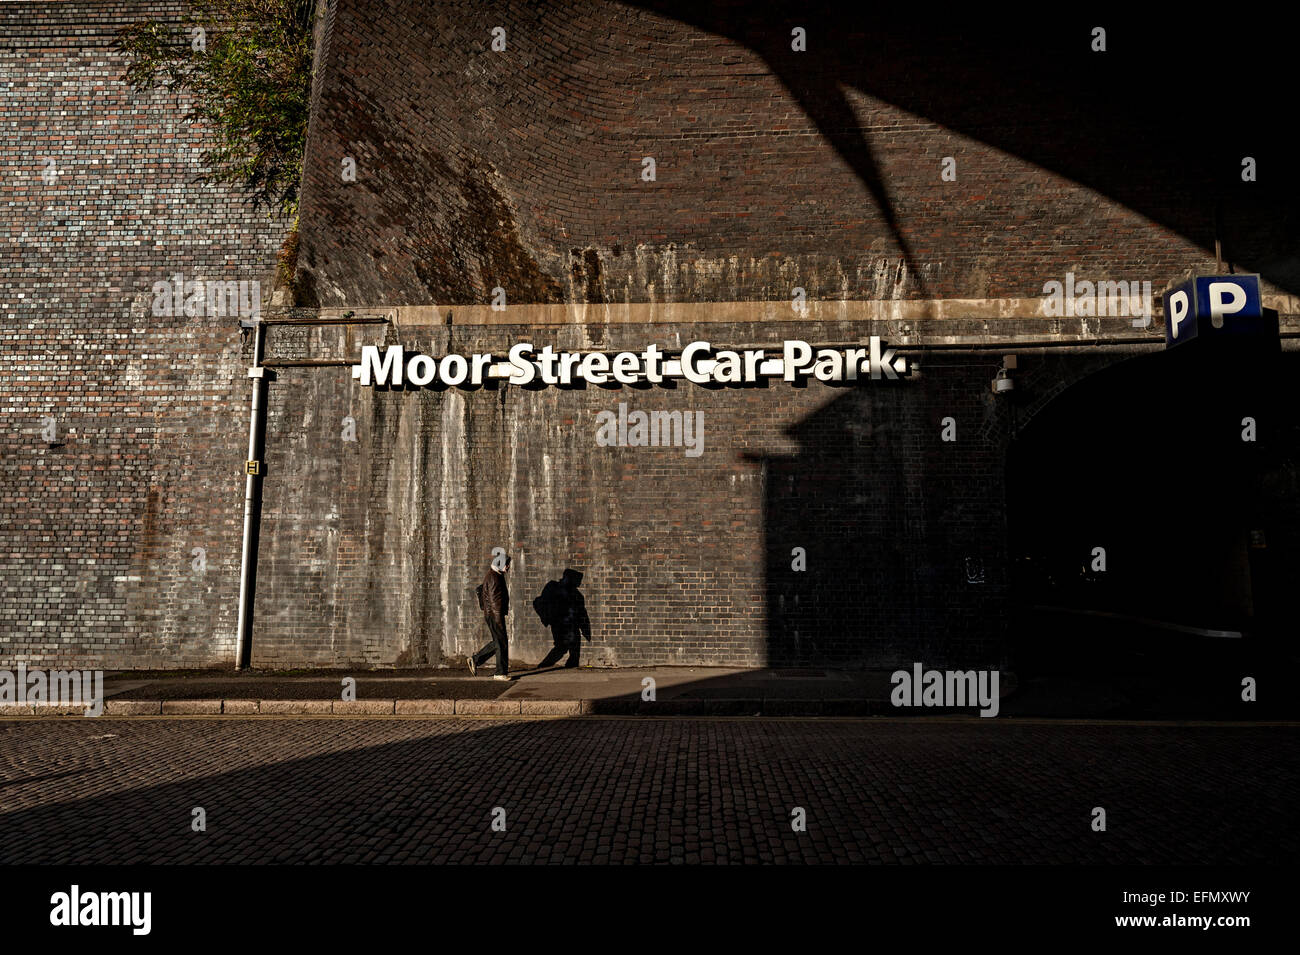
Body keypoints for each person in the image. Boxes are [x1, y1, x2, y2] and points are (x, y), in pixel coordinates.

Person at [534, 568, 591, 668]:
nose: (579, 583)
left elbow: (582, 613)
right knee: (562, 646)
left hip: (572, 625)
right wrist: (548, 618)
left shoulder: (577, 595)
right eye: (578, 580)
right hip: (559, 624)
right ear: (569, 579)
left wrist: (585, 629)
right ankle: (544, 666)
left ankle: (570, 666)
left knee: (574, 648)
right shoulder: (553, 587)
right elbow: (540, 602)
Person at [469, 555, 511, 680]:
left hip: (493, 615)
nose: (508, 567)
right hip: (494, 615)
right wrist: (498, 620)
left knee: (498, 642)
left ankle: (475, 660)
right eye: (506, 564)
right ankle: (500, 673)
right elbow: (494, 601)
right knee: (501, 643)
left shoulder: (496, 575)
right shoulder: (494, 577)